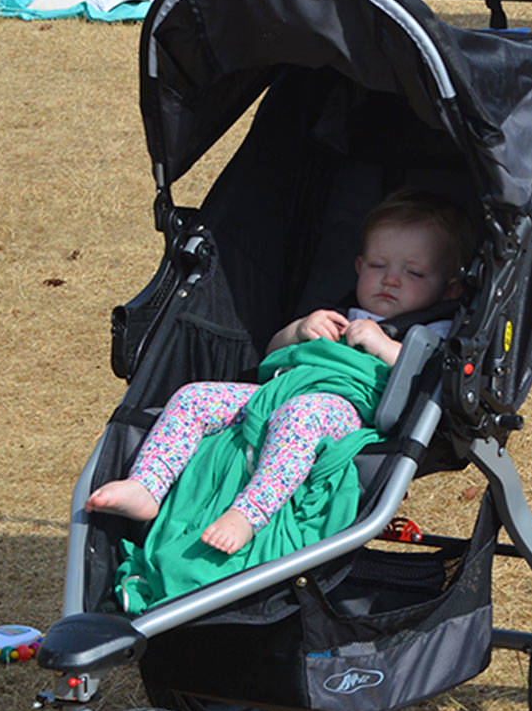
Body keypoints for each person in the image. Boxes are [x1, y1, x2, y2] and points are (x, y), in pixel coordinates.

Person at [89, 191, 471, 557]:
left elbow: (437, 377)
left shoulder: (433, 330)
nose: (390, 279)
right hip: (280, 391)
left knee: (300, 416)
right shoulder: (341, 313)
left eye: (413, 272)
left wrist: (385, 347)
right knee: (193, 397)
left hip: (349, 411)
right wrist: (300, 330)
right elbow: (274, 354)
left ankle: (249, 513)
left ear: (449, 289)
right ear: (358, 266)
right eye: (377, 266)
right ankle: (147, 484)